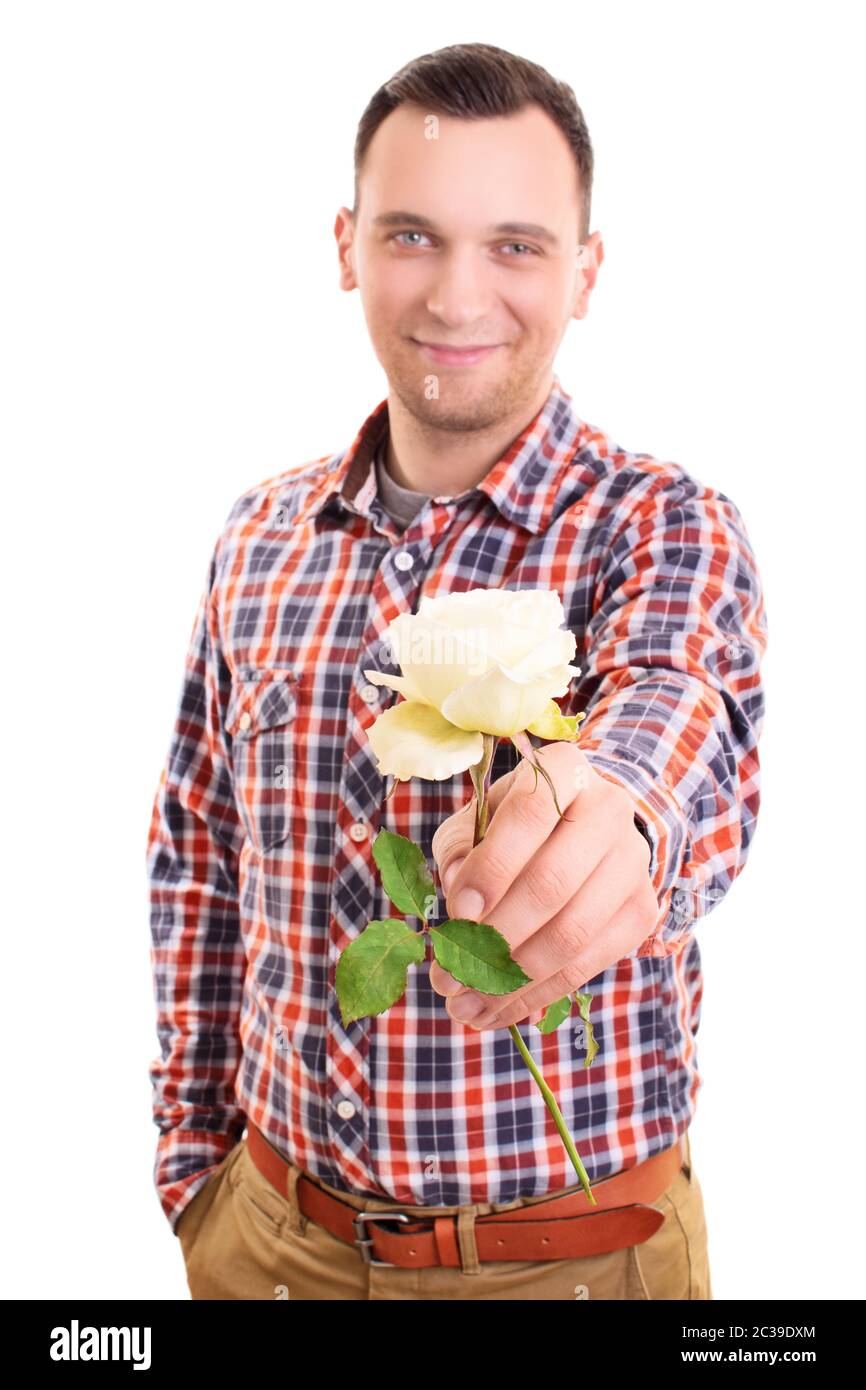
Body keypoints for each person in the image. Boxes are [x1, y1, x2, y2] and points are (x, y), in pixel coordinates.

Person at [146, 41, 767, 1300]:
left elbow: (678, 706)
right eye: (413, 236)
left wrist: (617, 818)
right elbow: (197, 856)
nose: (457, 296)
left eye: (516, 246)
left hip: (575, 1267)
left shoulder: (660, 526)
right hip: (271, 1247)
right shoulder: (258, 537)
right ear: (346, 245)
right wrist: (195, 1178)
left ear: (584, 271)